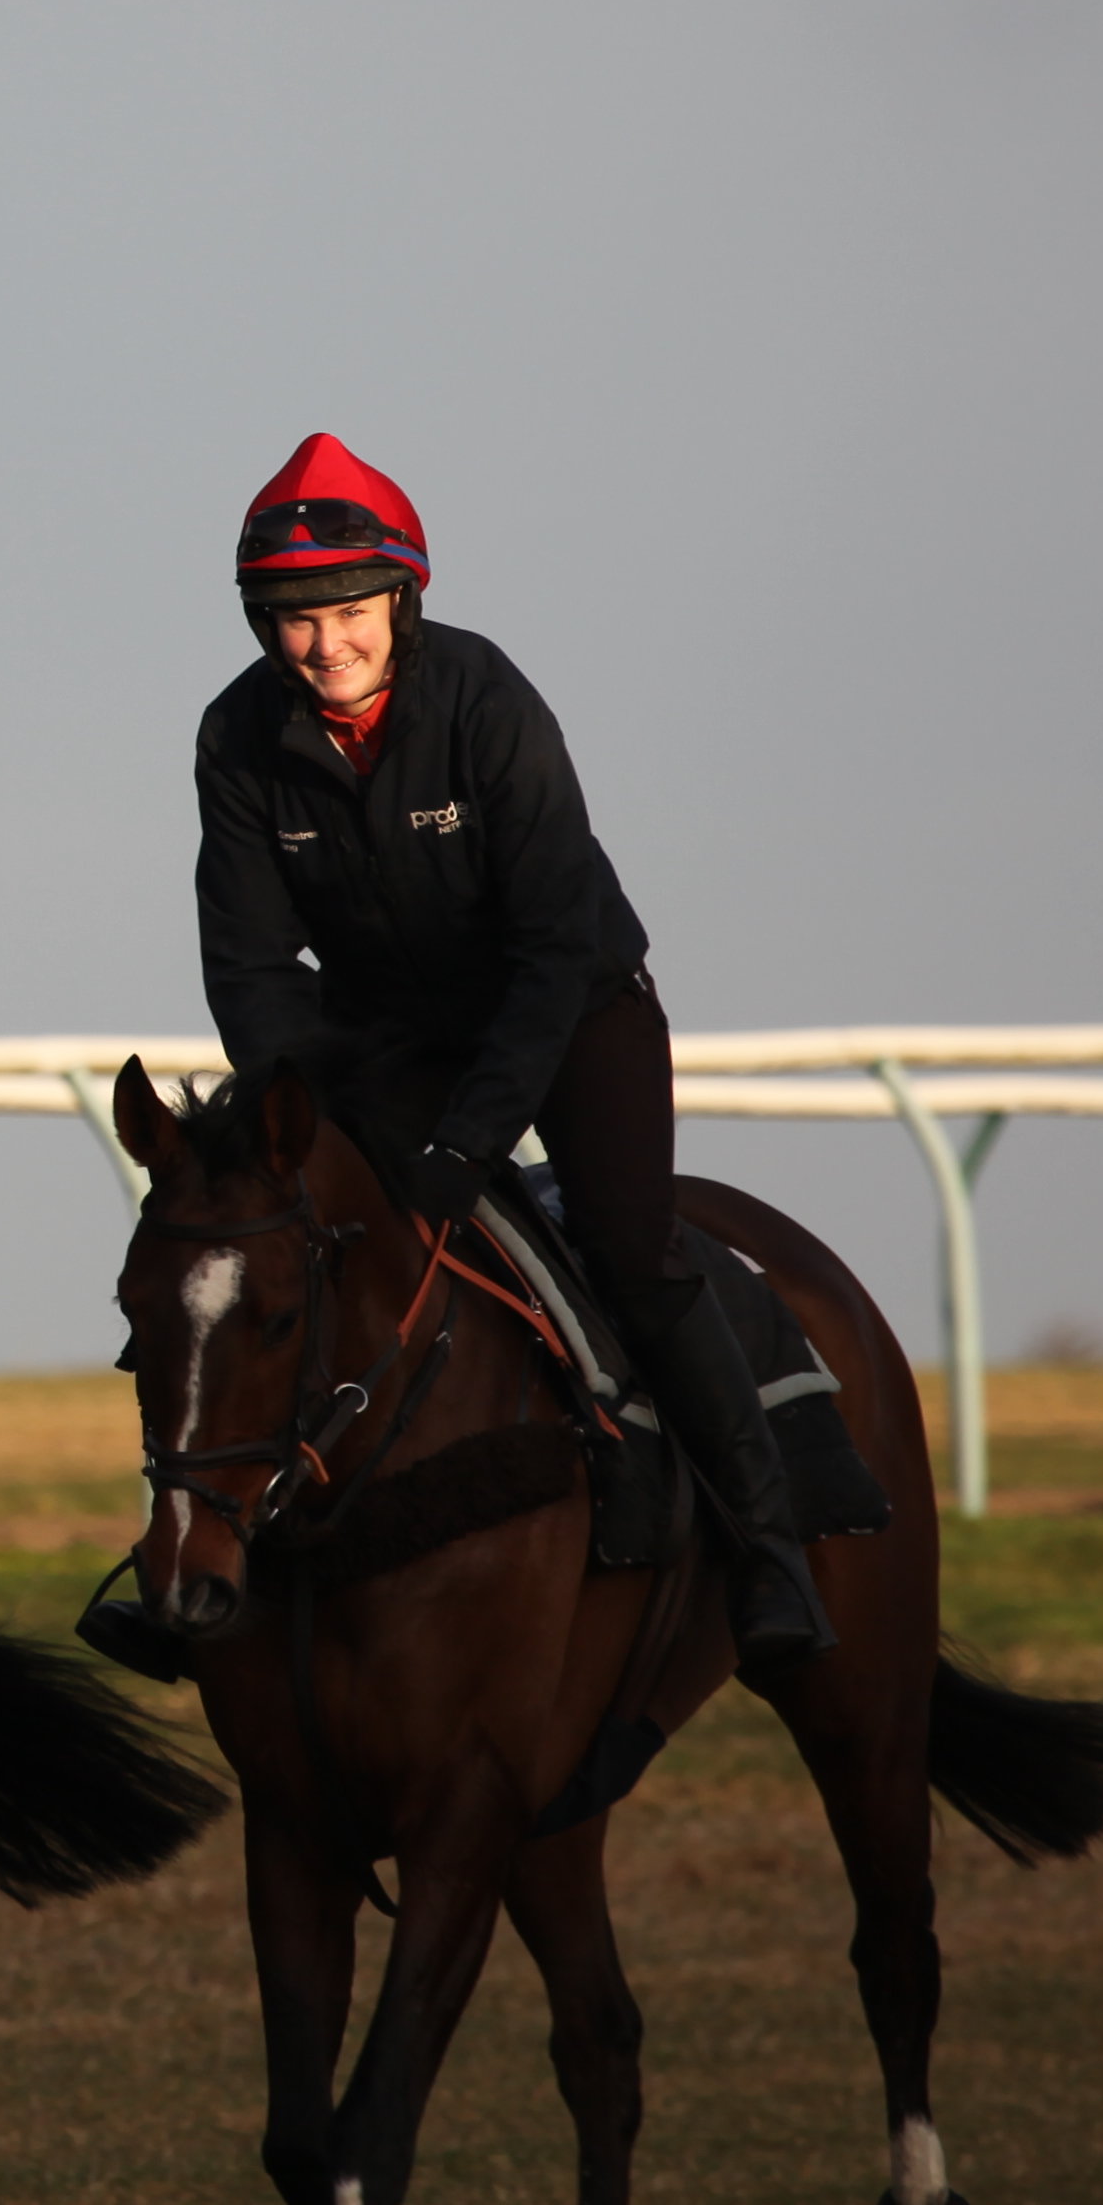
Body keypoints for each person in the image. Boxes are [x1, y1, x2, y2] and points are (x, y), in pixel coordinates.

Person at [190, 432, 833, 1671]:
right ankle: (208, 1553)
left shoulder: (488, 702)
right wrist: (292, 1125)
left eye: (349, 611)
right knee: (256, 1231)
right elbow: (253, 973)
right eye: (293, 621)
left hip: (574, 1005)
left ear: (403, 599)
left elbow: (548, 952)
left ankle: (770, 1553)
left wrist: (462, 1142)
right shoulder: (233, 737)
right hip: (391, 1027)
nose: (325, 644)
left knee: (630, 1254)